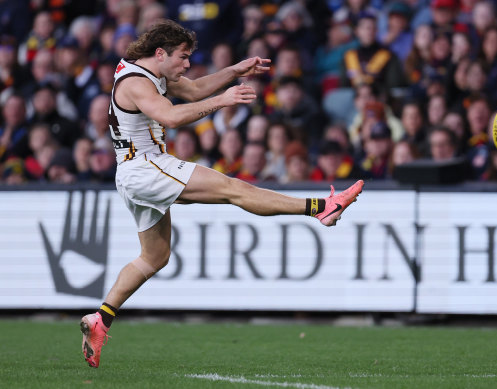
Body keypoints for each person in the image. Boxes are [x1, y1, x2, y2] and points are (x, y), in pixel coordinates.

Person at [80, 20, 363, 369]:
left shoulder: (147, 71)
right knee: (233, 189)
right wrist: (223, 100)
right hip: (145, 167)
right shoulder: (137, 82)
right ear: (160, 53)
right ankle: (321, 206)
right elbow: (169, 115)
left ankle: (100, 318)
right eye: (183, 57)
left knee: (154, 257)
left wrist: (234, 70)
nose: (187, 65)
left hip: (135, 173)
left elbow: (194, 89)